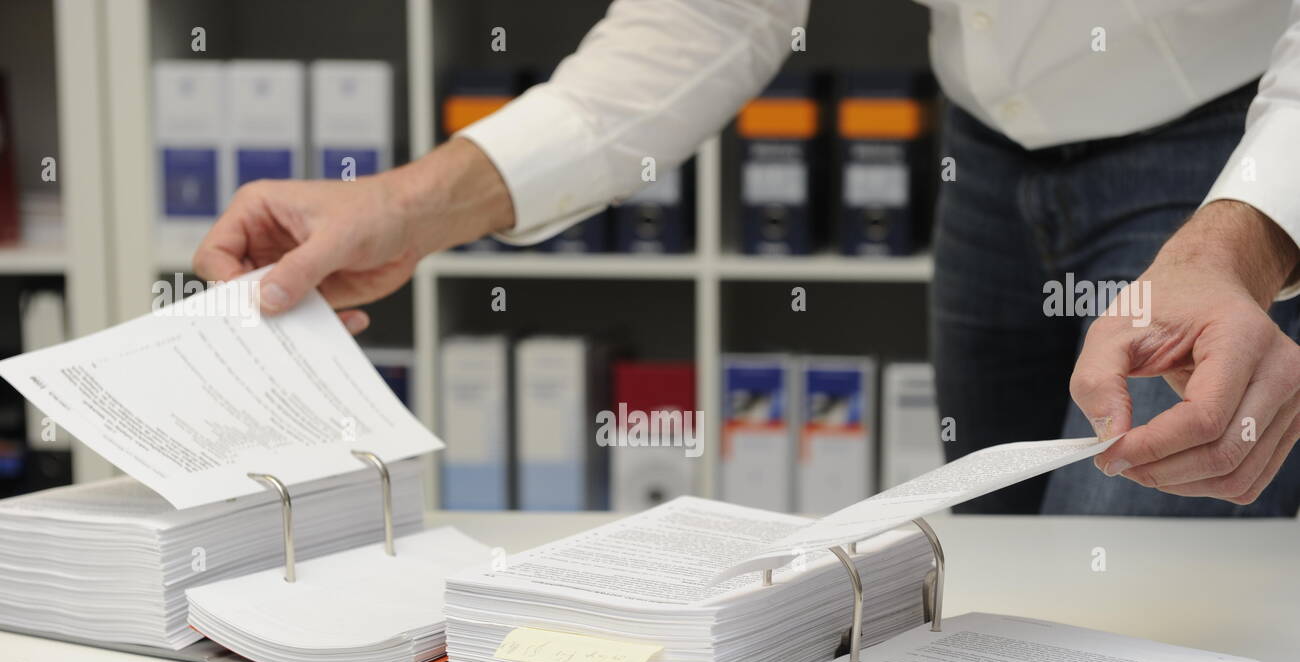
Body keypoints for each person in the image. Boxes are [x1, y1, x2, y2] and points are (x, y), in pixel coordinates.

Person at [194, 0, 1300, 516]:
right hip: (984, 149)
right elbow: (713, 12)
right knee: (997, 593)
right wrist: (408, 206)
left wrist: (1247, 235)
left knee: (1150, 605)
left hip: (1231, 145)